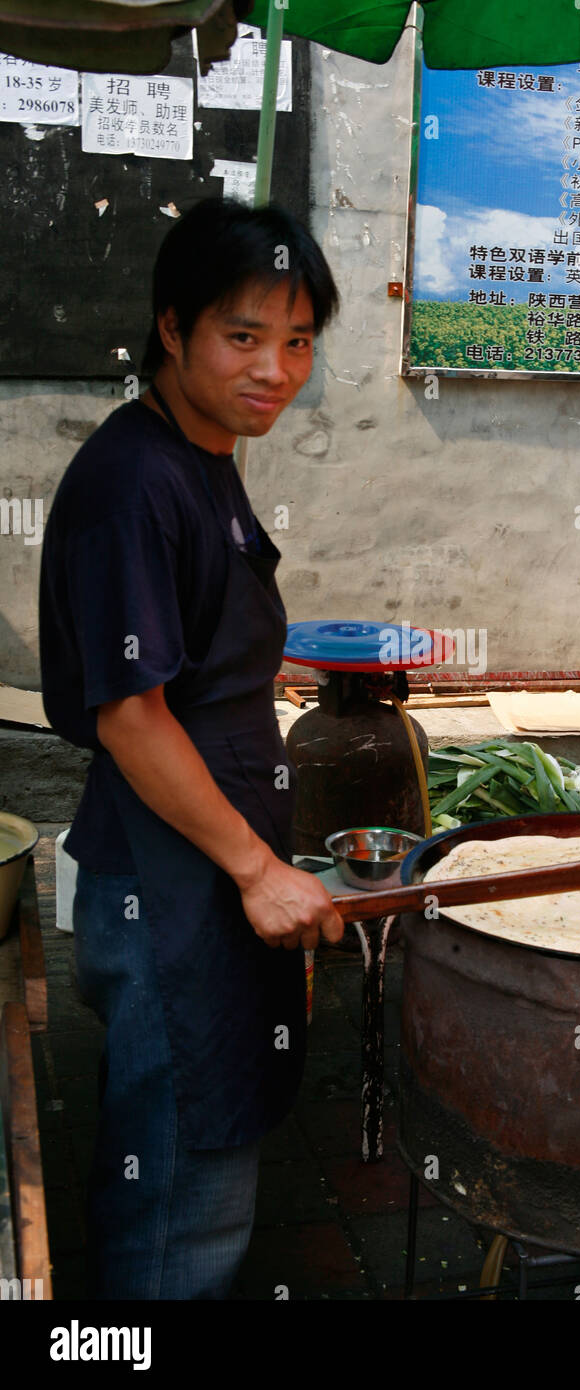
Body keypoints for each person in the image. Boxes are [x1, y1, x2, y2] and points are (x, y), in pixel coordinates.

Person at [38, 198, 345, 1299]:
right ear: (171, 330)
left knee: (196, 1142)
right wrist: (258, 870)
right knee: (179, 1178)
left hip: (204, 857)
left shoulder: (201, 450)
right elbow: (131, 714)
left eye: (298, 340)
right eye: (242, 336)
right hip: (170, 875)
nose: (275, 369)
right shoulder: (135, 484)